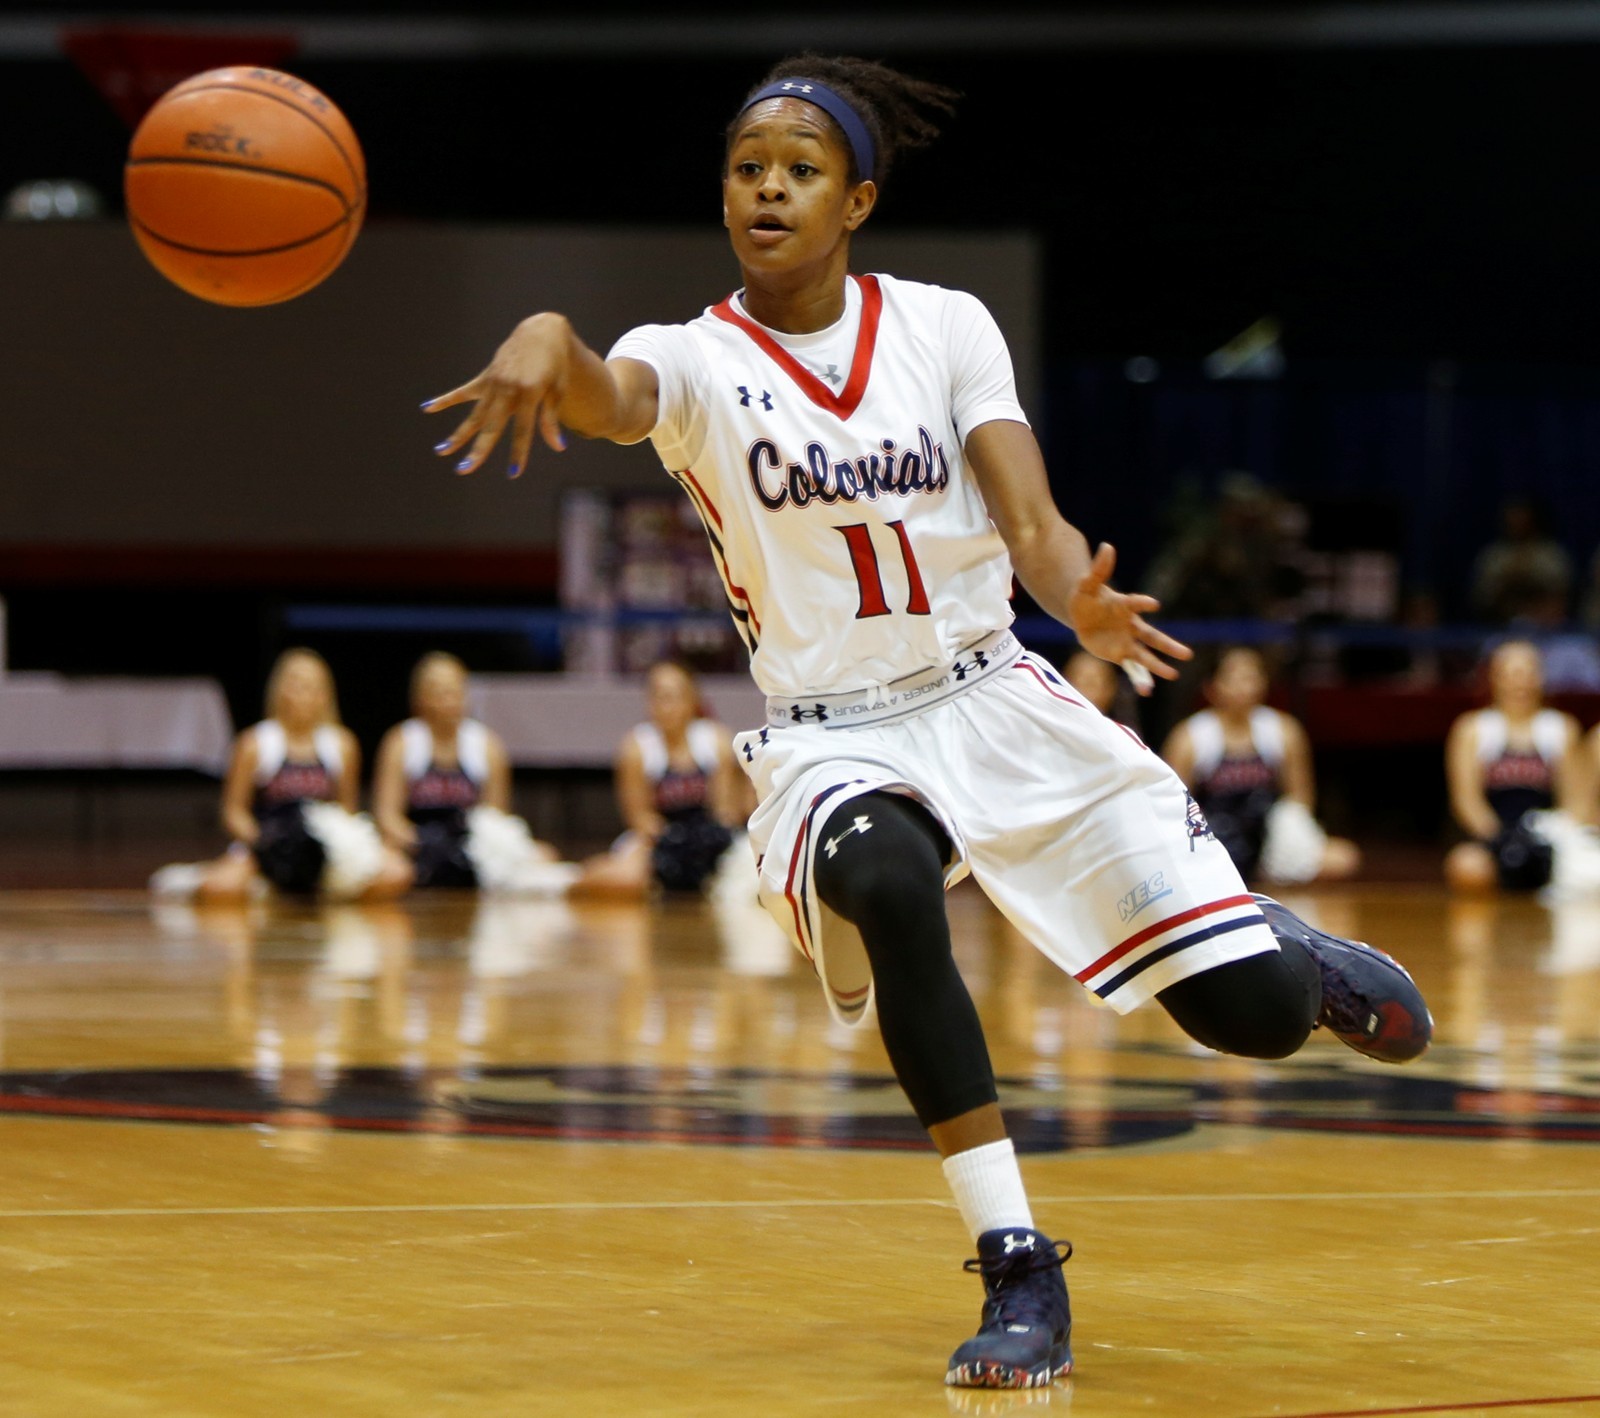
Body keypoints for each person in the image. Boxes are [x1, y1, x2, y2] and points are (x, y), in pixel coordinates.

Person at [424, 53, 1432, 1390]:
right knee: (891, 879)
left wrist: (1076, 594)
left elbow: (1031, 518)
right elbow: (604, 395)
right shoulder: (693, 360)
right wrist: (545, 334)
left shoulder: (945, 325)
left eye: (800, 171)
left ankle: (1288, 955)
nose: (768, 189)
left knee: (1245, 1018)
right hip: (832, 731)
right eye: (746, 169)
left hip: (992, 693)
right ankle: (1017, 1262)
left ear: (855, 201)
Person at [152, 648, 411, 902]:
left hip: (323, 848)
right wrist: (265, 842)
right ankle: (249, 881)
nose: (304, 695)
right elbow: (233, 812)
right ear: (279, 690)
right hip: (268, 844)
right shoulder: (254, 743)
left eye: (313, 687)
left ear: (326, 695)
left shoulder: (342, 745)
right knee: (219, 888)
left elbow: (346, 810)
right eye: (296, 685)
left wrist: (340, 849)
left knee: (396, 873)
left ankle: (296, 890)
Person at [372, 652, 577, 893]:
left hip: (470, 846)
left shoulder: (487, 745)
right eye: (438, 692)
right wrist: (422, 842)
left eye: (454, 691)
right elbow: (387, 817)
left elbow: (495, 818)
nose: (448, 700)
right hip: (416, 845)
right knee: (390, 868)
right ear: (420, 697)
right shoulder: (401, 742)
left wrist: (470, 848)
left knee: (545, 855)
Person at [1162, 647, 1361, 885]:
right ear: (1212, 687)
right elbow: (1173, 806)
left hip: (1268, 841)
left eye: (1252, 677)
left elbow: (1300, 799)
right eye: (1235, 678)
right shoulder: (1190, 737)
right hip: (1215, 838)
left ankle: (1269, 875)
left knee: (1343, 858)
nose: (1245, 687)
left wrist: (1288, 842)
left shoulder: (1284, 730)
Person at [579, 660, 745, 895]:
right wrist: (672, 838)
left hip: (710, 837)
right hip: (658, 840)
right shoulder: (636, 747)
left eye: (674, 697)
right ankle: (572, 877)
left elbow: (727, 810)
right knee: (628, 880)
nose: (667, 706)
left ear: (693, 699)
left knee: (752, 875)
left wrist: (704, 838)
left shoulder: (716, 740)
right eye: (659, 697)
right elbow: (638, 816)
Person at [1445, 640, 1586, 893]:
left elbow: (1575, 800)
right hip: (1495, 837)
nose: (1521, 683)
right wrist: (1503, 840)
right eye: (1512, 674)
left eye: (1529, 673)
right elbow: (1467, 801)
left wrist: (1550, 839)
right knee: (1466, 867)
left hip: (1548, 837)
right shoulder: (1472, 729)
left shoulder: (1561, 728)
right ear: (1494, 678)